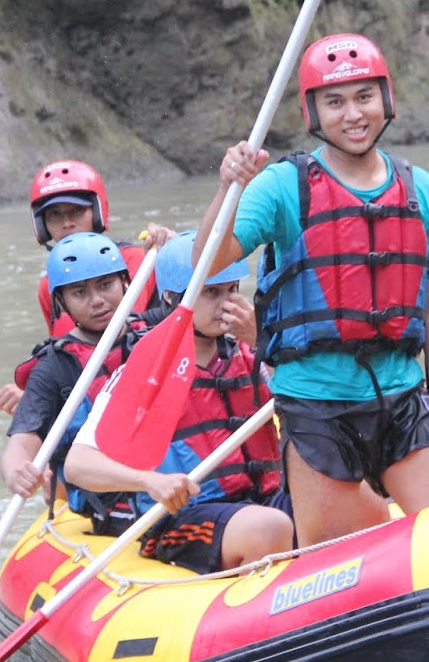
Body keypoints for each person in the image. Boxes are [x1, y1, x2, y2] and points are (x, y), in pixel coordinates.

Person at [194, 32, 429, 547]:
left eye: (364, 97)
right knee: (347, 554)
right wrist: (228, 186)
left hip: (402, 400)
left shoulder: (421, 189)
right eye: (335, 102)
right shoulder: (281, 185)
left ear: (385, 99)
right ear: (313, 112)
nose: (353, 114)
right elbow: (207, 259)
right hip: (316, 407)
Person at [63, 230, 294, 572]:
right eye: (211, 292)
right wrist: (149, 481)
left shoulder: (251, 356)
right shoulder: (145, 372)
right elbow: (77, 465)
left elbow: (316, 401)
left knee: (347, 500)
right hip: (184, 518)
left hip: (261, 498)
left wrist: (262, 342)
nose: (228, 304)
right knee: (268, 528)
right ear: (174, 298)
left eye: (232, 290)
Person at [0, 158, 169, 413]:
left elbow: (118, 342)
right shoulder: (49, 287)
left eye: (76, 211)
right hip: (88, 400)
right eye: (55, 215)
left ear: (96, 212)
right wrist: (35, 395)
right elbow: (67, 354)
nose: (66, 223)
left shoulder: (137, 259)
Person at [0, 231, 146, 514]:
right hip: (108, 505)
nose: (97, 300)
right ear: (62, 302)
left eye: (106, 284)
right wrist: (16, 471)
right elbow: (20, 444)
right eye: (80, 292)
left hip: (168, 483)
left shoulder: (154, 334)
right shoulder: (53, 367)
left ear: (124, 282)